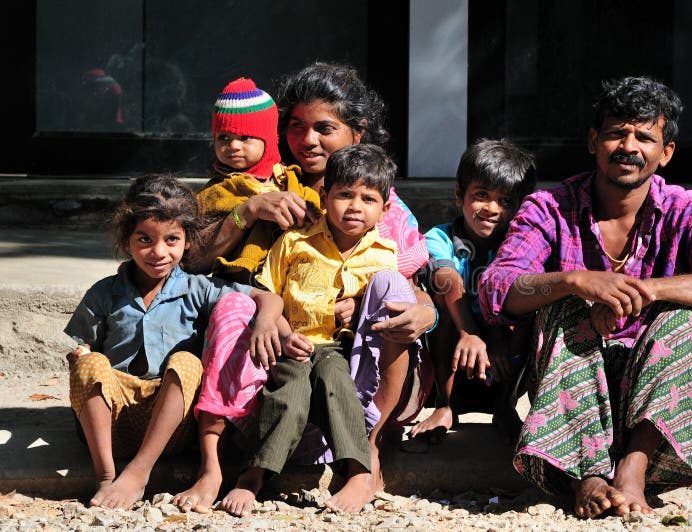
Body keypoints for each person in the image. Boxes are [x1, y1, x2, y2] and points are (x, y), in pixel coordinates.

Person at [479, 76, 692, 519]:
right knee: (563, 304)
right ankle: (586, 477)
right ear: (594, 141)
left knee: (684, 316)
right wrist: (576, 281)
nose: (628, 146)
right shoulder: (548, 208)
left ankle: (633, 468)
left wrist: (648, 291)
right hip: (568, 383)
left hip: (650, 387)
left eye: (644, 137)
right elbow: (497, 287)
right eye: (616, 133)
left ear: (665, 153)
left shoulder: (687, 209)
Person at [175, 62, 437, 515]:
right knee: (234, 304)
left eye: (324, 128)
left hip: (354, 365)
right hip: (276, 359)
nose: (308, 140)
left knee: (391, 288)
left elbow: (413, 285)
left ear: (358, 133)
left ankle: (365, 452)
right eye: (296, 126)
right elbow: (193, 259)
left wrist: (422, 311)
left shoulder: (382, 205)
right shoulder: (267, 182)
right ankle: (227, 463)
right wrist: (250, 211)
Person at [64, 175, 282, 510]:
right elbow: (83, 350)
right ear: (126, 241)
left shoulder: (197, 288)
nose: (159, 252)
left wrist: (265, 322)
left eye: (171, 239)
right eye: (145, 239)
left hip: (170, 428)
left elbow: (267, 299)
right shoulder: (105, 292)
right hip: (111, 424)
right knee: (88, 362)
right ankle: (106, 477)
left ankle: (139, 472)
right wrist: (81, 361)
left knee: (187, 363)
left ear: (188, 242)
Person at [410, 139, 537, 446]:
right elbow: (446, 279)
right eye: (482, 196)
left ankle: (505, 406)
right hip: (452, 355)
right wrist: (469, 333)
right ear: (459, 194)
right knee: (443, 298)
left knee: (526, 305)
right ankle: (445, 406)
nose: (492, 209)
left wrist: (493, 335)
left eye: (505, 201)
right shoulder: (440, 236)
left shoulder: (519, 243)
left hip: (502, 357)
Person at [187, 76, 321, 284]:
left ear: (268, 138)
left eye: (244, 137)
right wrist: (247, 211)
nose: (233, 146)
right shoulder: (220, 189)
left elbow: (313, 210)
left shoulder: (288, 179)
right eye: (224, 138)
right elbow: (191, 255)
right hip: (239, 285)